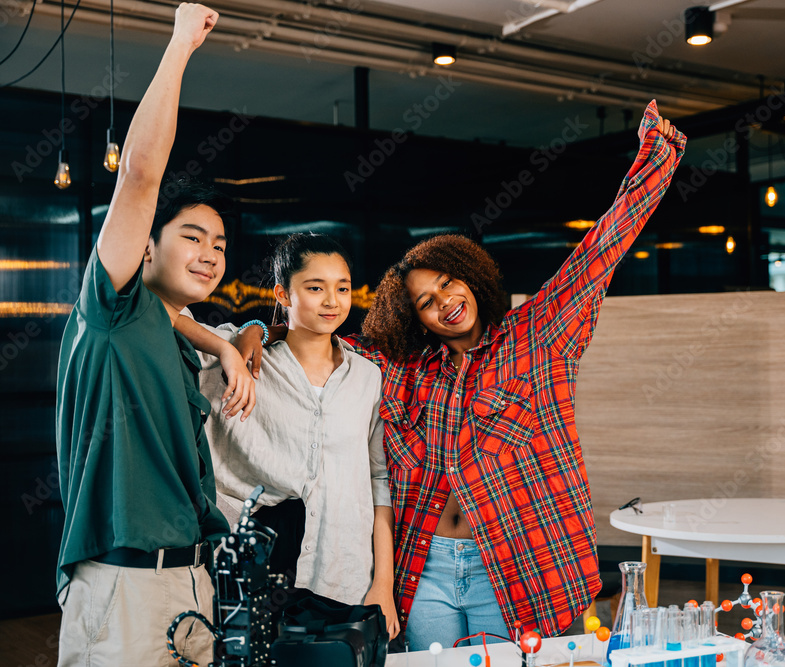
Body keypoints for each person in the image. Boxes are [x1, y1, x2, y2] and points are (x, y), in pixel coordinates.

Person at [239, 100, 685, 648]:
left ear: (472, 277)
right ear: (416, 319)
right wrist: (257, 329)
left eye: (450, 282)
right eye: (427, 301)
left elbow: (601, 249)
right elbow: (317, 335)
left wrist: (656, 157)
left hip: (515, 566)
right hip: (423, 570)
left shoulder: (538, 336)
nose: (445, 302)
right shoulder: (395, 367)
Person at [54, 5, 255, 666]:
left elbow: (236, 325)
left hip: (191, 581)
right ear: (145, 248)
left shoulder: (172, 331)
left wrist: (229, 341)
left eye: (219, 244)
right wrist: (179, 46)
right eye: (191, 237)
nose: (210, 253)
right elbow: (139, 176)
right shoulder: (110, 309)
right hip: (123, 588)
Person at [176, 233, 399, 638]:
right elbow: (159, 312)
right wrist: (242, 338)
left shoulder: (368, 376)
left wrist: (382, 584)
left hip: (345, 575)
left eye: (342, 288)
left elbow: (378, 481)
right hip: (256, 575)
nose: (332, 301)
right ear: (283, 292)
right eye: (315, 288)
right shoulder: (239, 355)